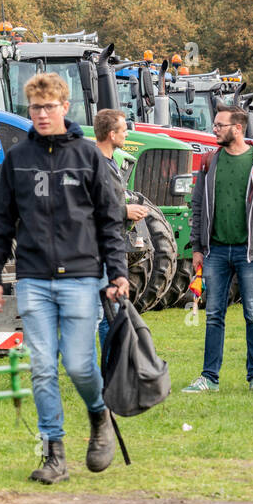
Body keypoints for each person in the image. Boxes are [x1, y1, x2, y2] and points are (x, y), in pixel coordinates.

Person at [0, 73, 129, 484]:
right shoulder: (17, 159)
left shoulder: (88, 156)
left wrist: (117, 272)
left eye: (49, 107)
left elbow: (109, 221)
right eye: (35, 108)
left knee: (81, 365)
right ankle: (54, 454)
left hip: (83, 277)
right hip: (32, 278)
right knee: (43, 366)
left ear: (65, 108)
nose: (42, 115)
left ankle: (98, 415)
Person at [181, 104, 253, 395]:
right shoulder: (209, 161)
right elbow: (198, 205)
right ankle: (209, 377)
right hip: (215, 252)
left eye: (219, 125)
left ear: (238, 128)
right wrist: (199, 246)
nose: (214, 130)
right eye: (214, 125)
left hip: (251, 253)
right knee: (214, 314)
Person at [93, 108, 149, 349]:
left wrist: (126, 211)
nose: (127, 134)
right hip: (96, 251)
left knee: (111, 316)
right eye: (123, 131)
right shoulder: (95, 165)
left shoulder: (111, 162)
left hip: (111, 246)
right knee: (100, 316)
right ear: (110, 134)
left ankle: (112, 372)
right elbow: (87, 209)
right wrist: (124, 211)